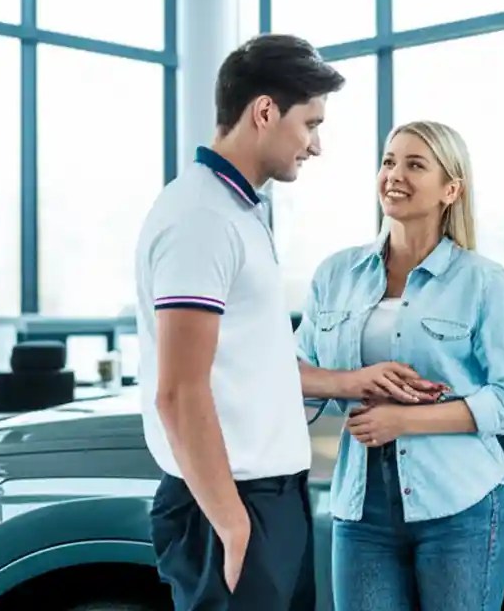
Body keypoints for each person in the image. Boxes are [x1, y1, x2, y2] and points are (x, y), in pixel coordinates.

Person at [135, 33, 358, 610]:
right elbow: (179, 391)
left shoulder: (237, 210)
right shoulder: (202, 218)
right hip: (231, 503)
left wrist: (347, 382)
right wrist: (232, 524)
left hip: (266, 498)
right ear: (264, 111)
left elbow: (249, 361)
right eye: (310, 124)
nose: (316, 146)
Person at [295, 120, 504, 610]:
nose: (394, 175)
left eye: (415, 164)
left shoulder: (485, 282)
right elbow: (293, 372)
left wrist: (402, 421)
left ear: (451, 189)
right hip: (361, 512)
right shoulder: (336, 274)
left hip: (460, 508)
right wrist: (352, 382)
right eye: (388, 162)